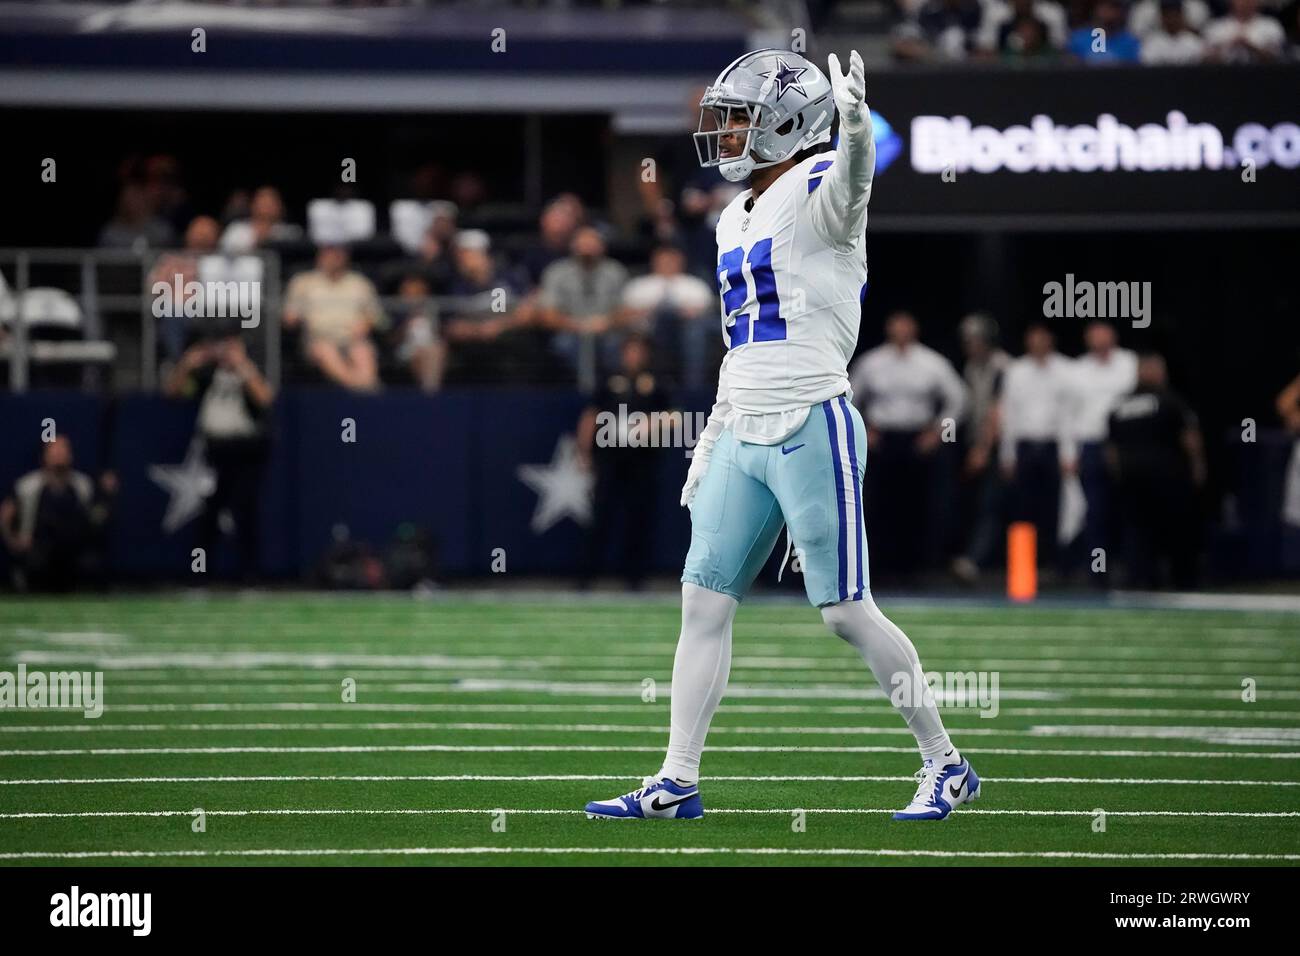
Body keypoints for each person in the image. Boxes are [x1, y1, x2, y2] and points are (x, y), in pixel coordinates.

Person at [584, 49, 977, 823]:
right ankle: (677, 778)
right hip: (745, 421)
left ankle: (946, 762)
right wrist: (716, 428)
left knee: (843, 612)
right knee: (702, 601)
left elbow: (855, 179)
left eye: (738, 121)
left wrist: (858, 125)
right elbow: (743, 341)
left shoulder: (823, 185)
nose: (725, 135)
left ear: (787, 126)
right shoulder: (734, 215)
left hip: (811, 419)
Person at [849, 311, 966, 583]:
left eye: (906, 326)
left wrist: (938, 433)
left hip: (917, 441)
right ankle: (879, 567)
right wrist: (863, 430)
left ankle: (915, 568)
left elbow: (959, 399)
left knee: (917, 505)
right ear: (889, 329)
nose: (901, 331)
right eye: (896, 326)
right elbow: (849, 396)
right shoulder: (872, 362)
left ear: (914, 329)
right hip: (882, 441)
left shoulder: (931, 362)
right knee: (878, 505)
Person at [165, 330, 275, 581]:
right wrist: (187, 363)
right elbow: (172, 392)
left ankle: (250, 575)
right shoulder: (206, 375)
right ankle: (200, 573)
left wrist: (242, 366)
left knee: (245, 513)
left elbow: (265, 398)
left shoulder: (250, 371)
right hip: (214, 452)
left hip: (246, 451)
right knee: (208, 515)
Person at [576, 334, 672, 590]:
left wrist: (654, 421)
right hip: (610, 459)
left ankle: (635, 579)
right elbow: (590, 416)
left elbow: (677, 416)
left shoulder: (656, 383)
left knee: (639, 519)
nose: (634, 357)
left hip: (642, 461)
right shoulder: (609, 380)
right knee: (601, 517)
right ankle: (587, 577)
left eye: (638, 352)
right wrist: (583, 453)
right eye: (630, 351)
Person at [1107, 353, 1206, 588]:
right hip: (1166, 478)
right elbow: (1190, 437)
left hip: (1134, 478)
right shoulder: (1170, 400)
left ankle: (1142, 578)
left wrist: (1117, 474)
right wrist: (1198, 466)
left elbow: (1110, 448)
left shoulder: (1121, 404)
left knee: (1139, 531)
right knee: (1171, 529)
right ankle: (1179, 579)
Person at [999, 323, 1075, 571]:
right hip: (1024, 447)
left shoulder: (1065, 370)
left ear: (1050, 340)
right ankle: (1023, 568)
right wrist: (1007, 454)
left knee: (1052, 509)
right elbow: (1009, 414)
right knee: (1023, 508)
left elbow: (1068, 415)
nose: (1038, 343)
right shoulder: (1016, 370)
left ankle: (1054, 565)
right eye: (1033, 338)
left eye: (1042, 338)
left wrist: (1068, 453)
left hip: (1052, 446)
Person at [0, 436, 115, 591]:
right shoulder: (27, 487)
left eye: (63, 449)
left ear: (71, 455)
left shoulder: (84, 485)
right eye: (54, 450)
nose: (59, 454)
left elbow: (96, 518)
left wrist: (107, 496)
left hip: (74, 554)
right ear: (45, 456)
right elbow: (6, 513)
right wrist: (14, 541)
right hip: (40, 554)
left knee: (93, 565)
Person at [1069, 320, 1137, 576]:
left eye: (1103, 334)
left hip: (1125, 447)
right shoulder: (1078, 370)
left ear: (1113, 336)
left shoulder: (1129, 363)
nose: (1099, 340)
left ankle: (1134, 569)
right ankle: (1098, 570)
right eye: (1093, 336)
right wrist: (1070, 452)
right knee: (1096, 512)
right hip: (1091, 445)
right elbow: (1070, 415)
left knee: (1131, 510)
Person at [283, 244, 383, 391]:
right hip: (318, 340)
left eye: (339, 253)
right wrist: (298, 319)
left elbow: (376, 315)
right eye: (330, 252)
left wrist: (366, 324)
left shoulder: (360, 283)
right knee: (327, 351)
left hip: (353, 339)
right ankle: (363, 392)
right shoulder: (303, 282)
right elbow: (289, 318)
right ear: (320, 255)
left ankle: (366, 392)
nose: (335, 257)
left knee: (363, 352)